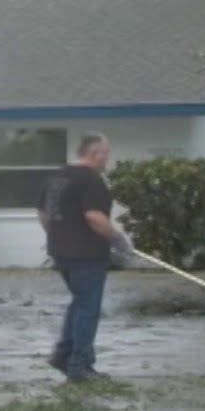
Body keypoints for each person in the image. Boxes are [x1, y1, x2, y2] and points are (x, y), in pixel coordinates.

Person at [37, 133, 134, 383]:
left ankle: (63, 355)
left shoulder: (56, 176)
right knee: (89, 309)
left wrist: (59, 236)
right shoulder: (91, 180)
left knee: (80, 303)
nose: (107, 159)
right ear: (95, 153)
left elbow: (43, 214)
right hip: (86, 255)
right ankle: (80, 367)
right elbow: (94, 217)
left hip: (60, 253)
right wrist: (117, 239)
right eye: (106, 154)